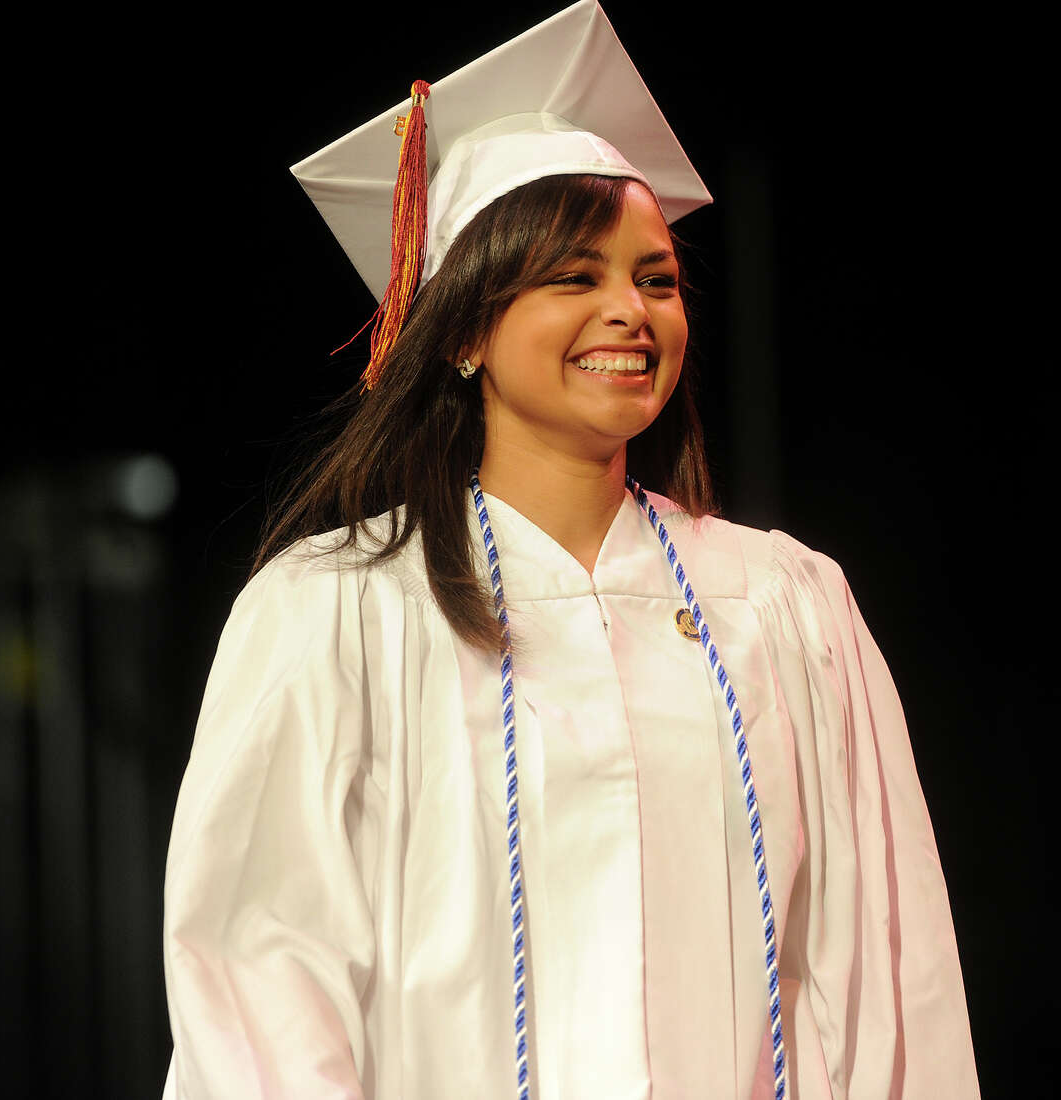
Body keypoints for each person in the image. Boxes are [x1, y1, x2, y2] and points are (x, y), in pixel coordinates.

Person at [160, 3, 980, 1097]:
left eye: (656, 279)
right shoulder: (338, 612)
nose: (629, 311)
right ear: (463, 328)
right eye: (575, 277)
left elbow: (886, 977)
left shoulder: (786, 605)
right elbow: (259, 982)